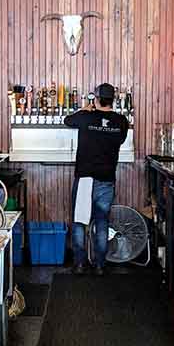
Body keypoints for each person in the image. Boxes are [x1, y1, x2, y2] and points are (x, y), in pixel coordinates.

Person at [64, 83, 129, 275]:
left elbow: (68, 120)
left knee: (79, 221)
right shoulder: (121, 121)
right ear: (114, 100)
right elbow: (121, 140)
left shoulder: (86, 117)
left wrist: (84, 108)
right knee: (102, 222)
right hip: (107, 178)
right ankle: (100, 265)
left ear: (97, 98)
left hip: (85, 178)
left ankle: (79, 264)